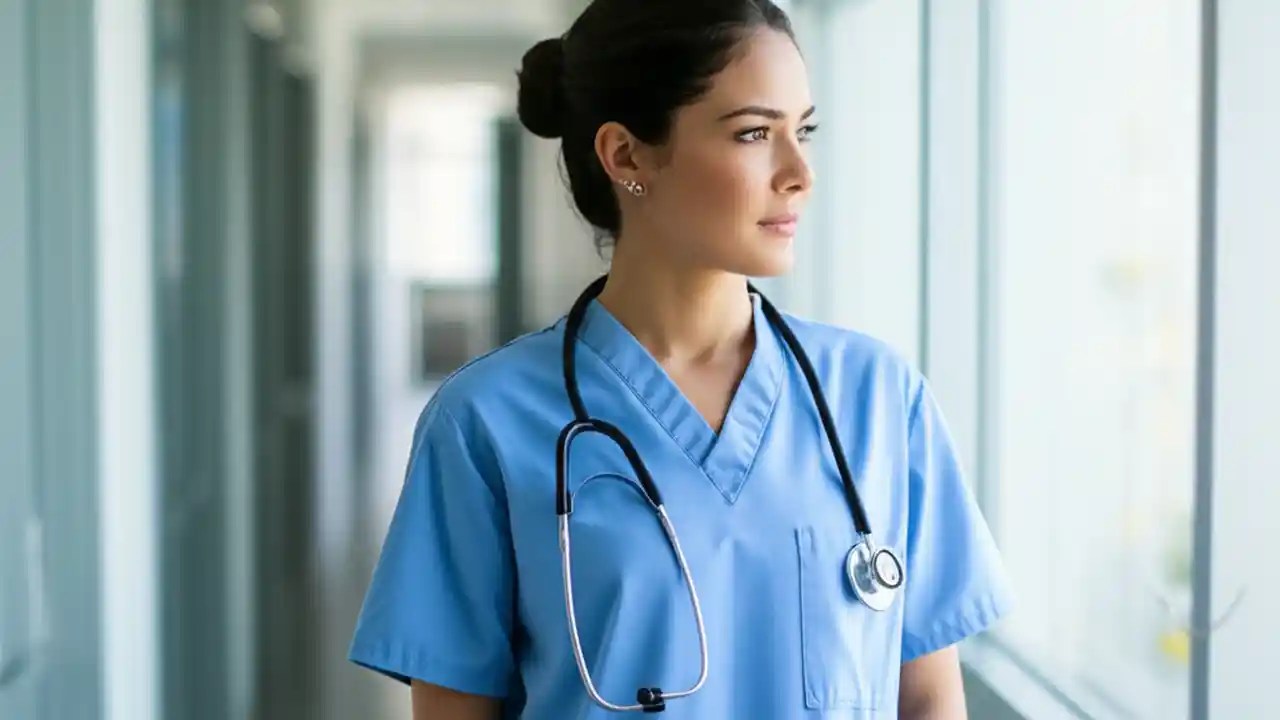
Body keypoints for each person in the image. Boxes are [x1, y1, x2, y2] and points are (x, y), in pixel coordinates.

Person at [348, 1, 1014, 717]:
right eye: (755, 133)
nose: (798, 173)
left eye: (805, 131)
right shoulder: (486, 422)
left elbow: (930, 699)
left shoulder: (879, 400)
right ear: (626, 156)